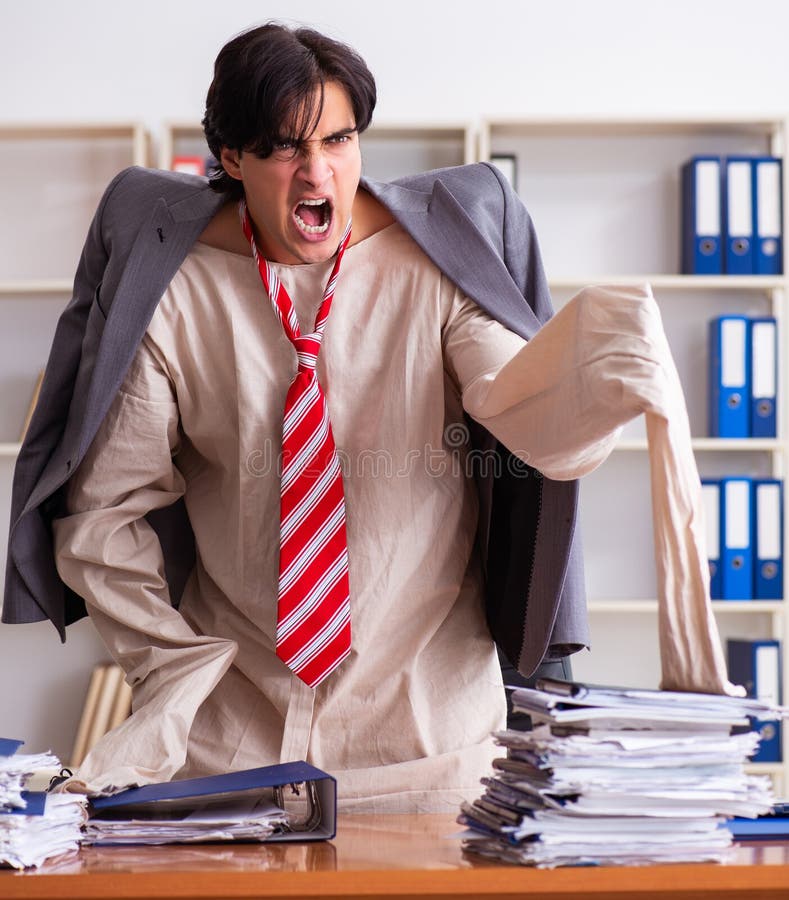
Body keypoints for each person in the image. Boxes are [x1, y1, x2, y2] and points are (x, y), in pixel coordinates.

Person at [3, 22, 598, 811]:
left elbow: (518, 407)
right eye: (286, 148)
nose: (318, 171)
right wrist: (167, 667)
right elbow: (102, 513)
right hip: (227, 753)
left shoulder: (435, 273)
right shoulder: (179, 298)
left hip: (428, 750)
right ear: (231, 161)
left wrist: (596, 390)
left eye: (340, 139)